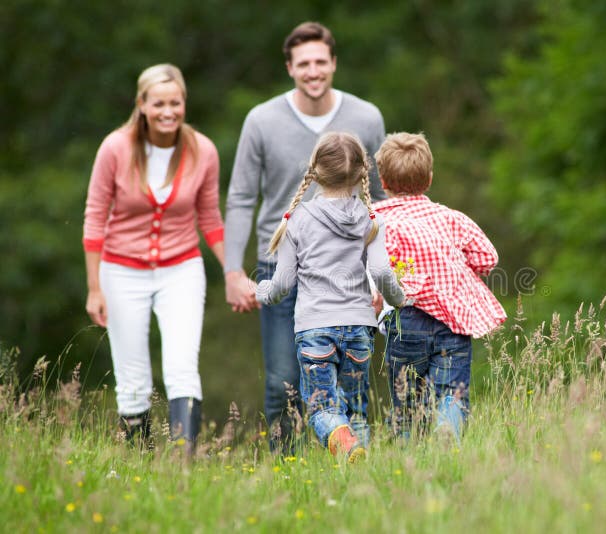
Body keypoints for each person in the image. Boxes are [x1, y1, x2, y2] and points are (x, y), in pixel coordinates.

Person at [224, 21, 387, 453]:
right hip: (282, 263)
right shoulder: (261, 121)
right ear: (289, 68)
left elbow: (381, 201)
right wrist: (232, 271)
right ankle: (286, 472)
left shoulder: (367, 118)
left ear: (333, 63)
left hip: (349, 270)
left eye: (320, 61)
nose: (313, 71)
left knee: (352, 388)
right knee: (282, 382)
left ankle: (352, 468)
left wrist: (380, 284)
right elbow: (241, 197)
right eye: (303, 64)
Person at [82, 63, 225, 455]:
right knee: (132, 376)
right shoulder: (116, 148)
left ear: (184, 104)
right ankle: (141, 463)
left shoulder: (202, 150)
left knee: (181, 367)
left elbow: (210, 218)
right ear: (142, 104)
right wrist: (95, 287)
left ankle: (182, 466)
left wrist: (232, 272)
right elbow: (95, 216)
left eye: (175, 103)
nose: (168, 111)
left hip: (181, 268)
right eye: (159, 103)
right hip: (121, 271)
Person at [254, 132, 405, 462]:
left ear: (314, 170)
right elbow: (380, 273)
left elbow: (282, 284)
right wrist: (400, 298)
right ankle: (358, 470)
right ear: (362, 172)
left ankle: (344, 443)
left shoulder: (298, 220)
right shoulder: (371, 220)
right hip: (358, 327)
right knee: (356, 408)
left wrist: (262, 292)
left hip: (314, 329)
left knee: (322, 409)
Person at [373, 132, 507, 443]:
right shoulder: (451, 219)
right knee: (452, 391)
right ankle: (448, 428)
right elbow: (488, 257)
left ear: (382, 181)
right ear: (429, 179)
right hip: (453, 321)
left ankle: (408, 462)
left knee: (406, 402)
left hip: (405, 321)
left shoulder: (376, 220)